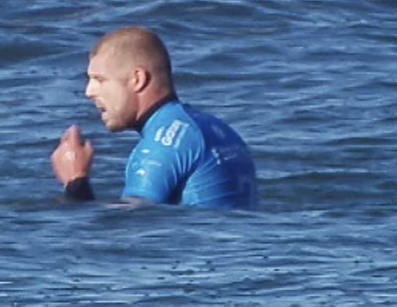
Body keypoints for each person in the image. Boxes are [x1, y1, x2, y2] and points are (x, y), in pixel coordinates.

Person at [51, 26, 258, 209]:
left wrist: (75, 181)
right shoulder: (216, 128)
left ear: (137, 79)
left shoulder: (161, 145)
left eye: (99, 79)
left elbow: (128, 233)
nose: (89, 91)